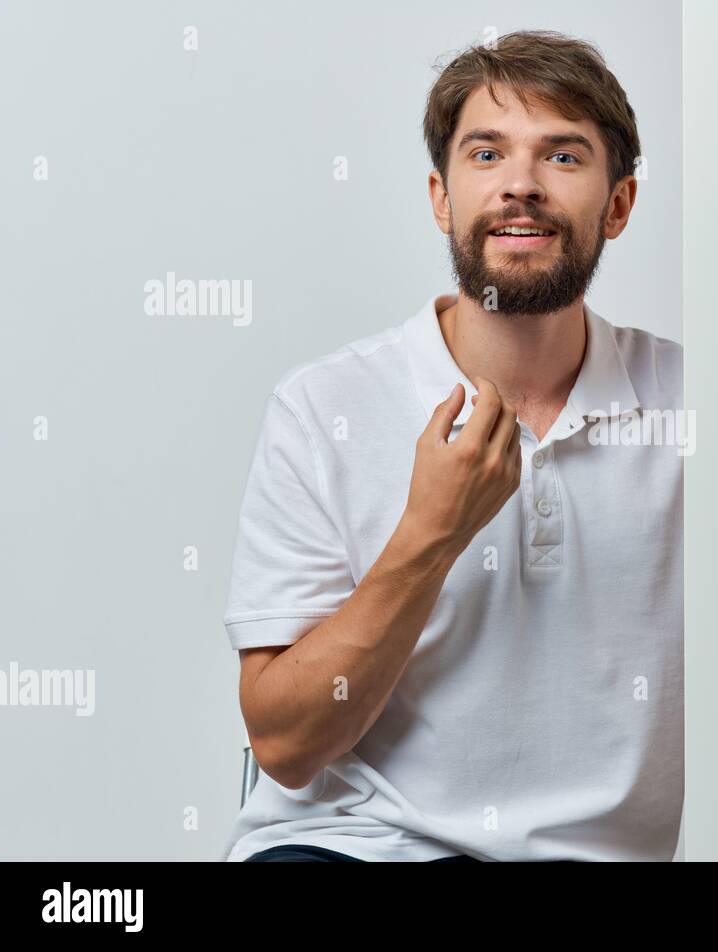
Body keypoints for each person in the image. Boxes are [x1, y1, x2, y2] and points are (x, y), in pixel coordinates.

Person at [219, 29, 682, 862]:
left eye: (564, 157)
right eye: (486, 153)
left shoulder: (698, 408)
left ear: (619, 204)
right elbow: (283, 745)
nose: (520, 186)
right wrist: (430, 533)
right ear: (442, 197)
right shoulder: (324, 408)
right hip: (356, 847)